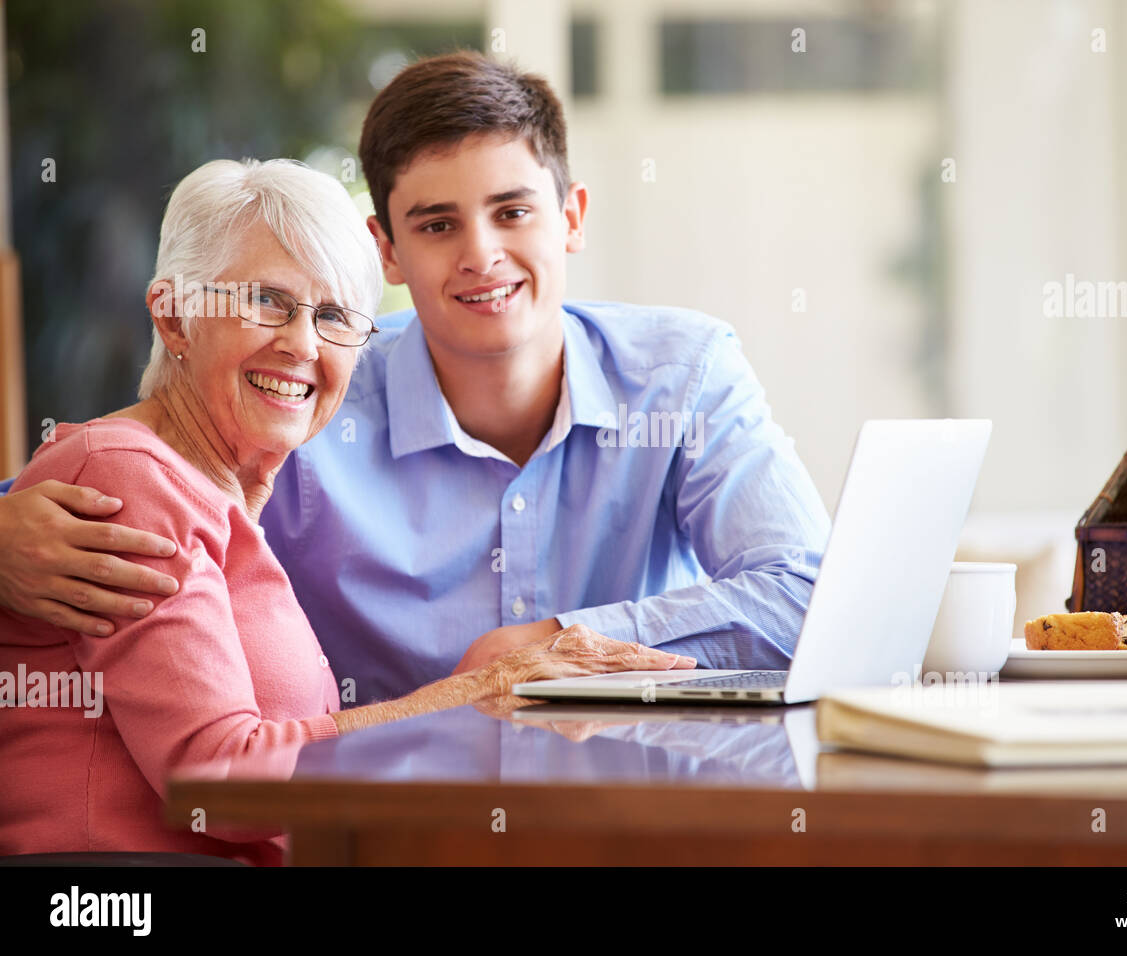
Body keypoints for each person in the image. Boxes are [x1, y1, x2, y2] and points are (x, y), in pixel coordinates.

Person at [0, 51, 830, 706]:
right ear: (387, 250)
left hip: (633, 812)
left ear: (570, 216)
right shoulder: (305, 390)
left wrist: (559, 639)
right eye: (437, 224)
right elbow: (122, 480)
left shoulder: (683, 376)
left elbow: (806, 597)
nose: (481, 255)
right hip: (387, 828)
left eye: (513, 212)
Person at [0, 158, 692, 865]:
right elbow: (217, 778)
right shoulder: (128, 477)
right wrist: (480, 692)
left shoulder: (217, 495)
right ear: (174, 316)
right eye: (267, 300)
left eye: (332, 317)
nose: (302, 344)